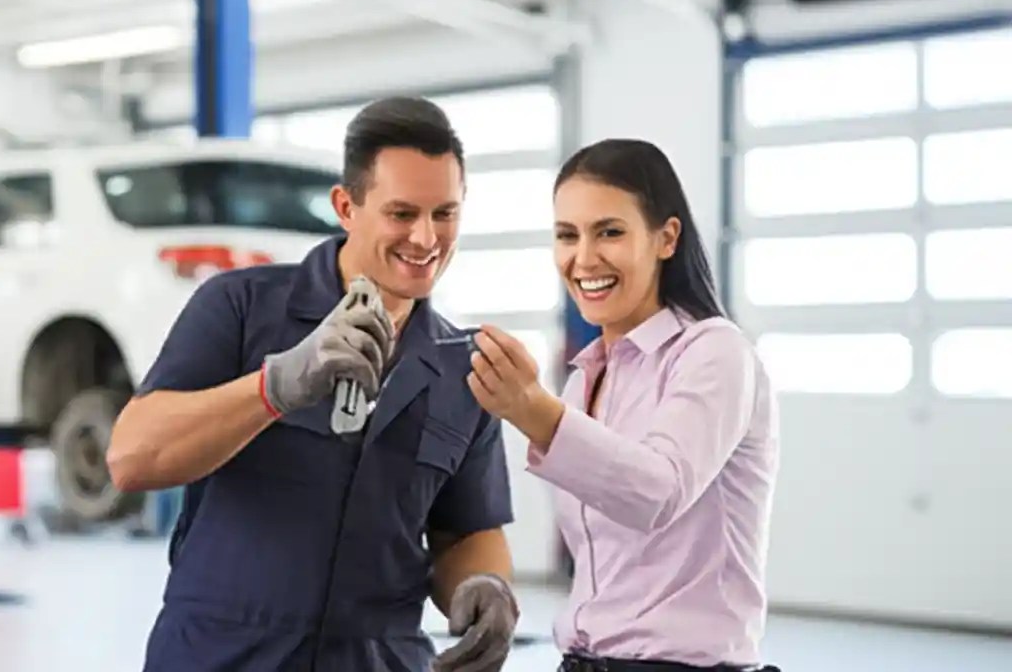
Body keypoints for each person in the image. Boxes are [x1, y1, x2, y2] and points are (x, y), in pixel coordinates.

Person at [108, 97, 520, 672]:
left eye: (445, 214)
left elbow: (465, 530)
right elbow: (132, 457)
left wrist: (485, 588)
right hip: (223, 653)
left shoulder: (465, 368)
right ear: (346, 206)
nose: (426, 239)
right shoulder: (240, 308)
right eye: (402, 214)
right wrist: (274, 387)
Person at [464, 139, 781, 671]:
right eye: (568, 235)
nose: (584, 258)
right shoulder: (587, 377)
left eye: (609, 231)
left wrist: (529, 408)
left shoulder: (715, 352)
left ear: (666, 238)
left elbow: (656, 493)